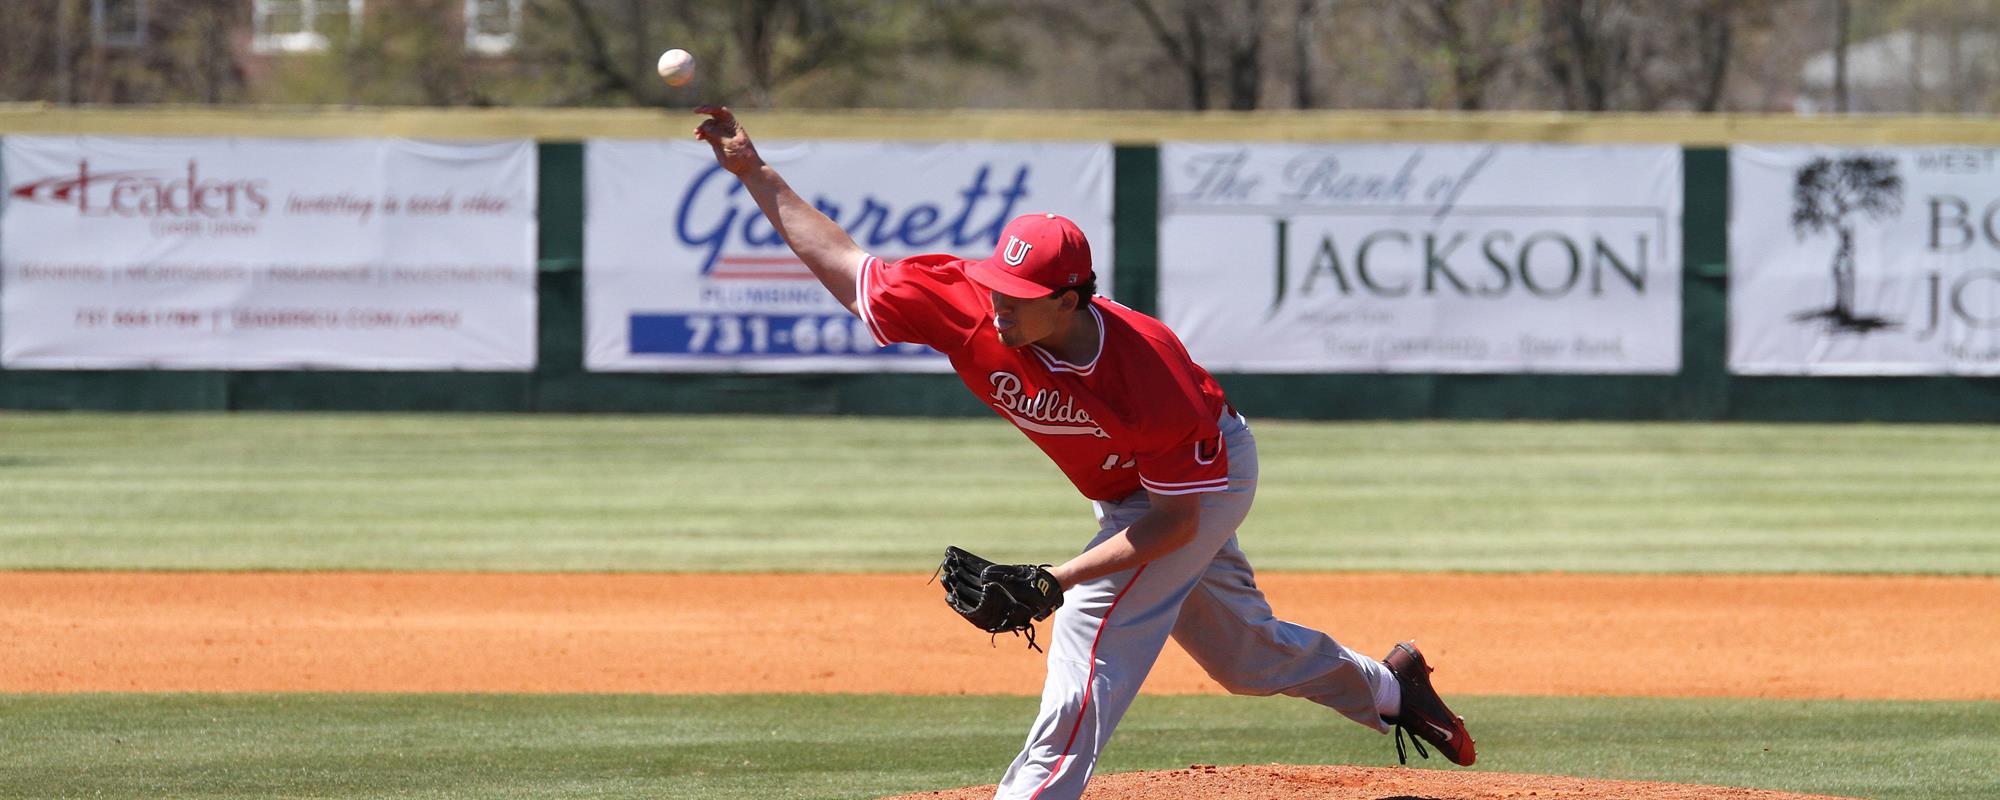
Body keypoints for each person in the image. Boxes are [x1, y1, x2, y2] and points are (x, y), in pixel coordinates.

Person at [691, 106, 1476, 799]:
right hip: (1131, 491)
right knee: (1241, 658)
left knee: (1088, 630)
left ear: (1069, 301)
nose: (998, 304)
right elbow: (850, 270)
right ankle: (1388, 688)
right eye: (996, 285)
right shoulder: (970, 304)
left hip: (1200, 482)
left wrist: (1054, 581)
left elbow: (1173, 521)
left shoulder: (1148, 371)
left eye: (1019, 297)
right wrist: (754, 171)